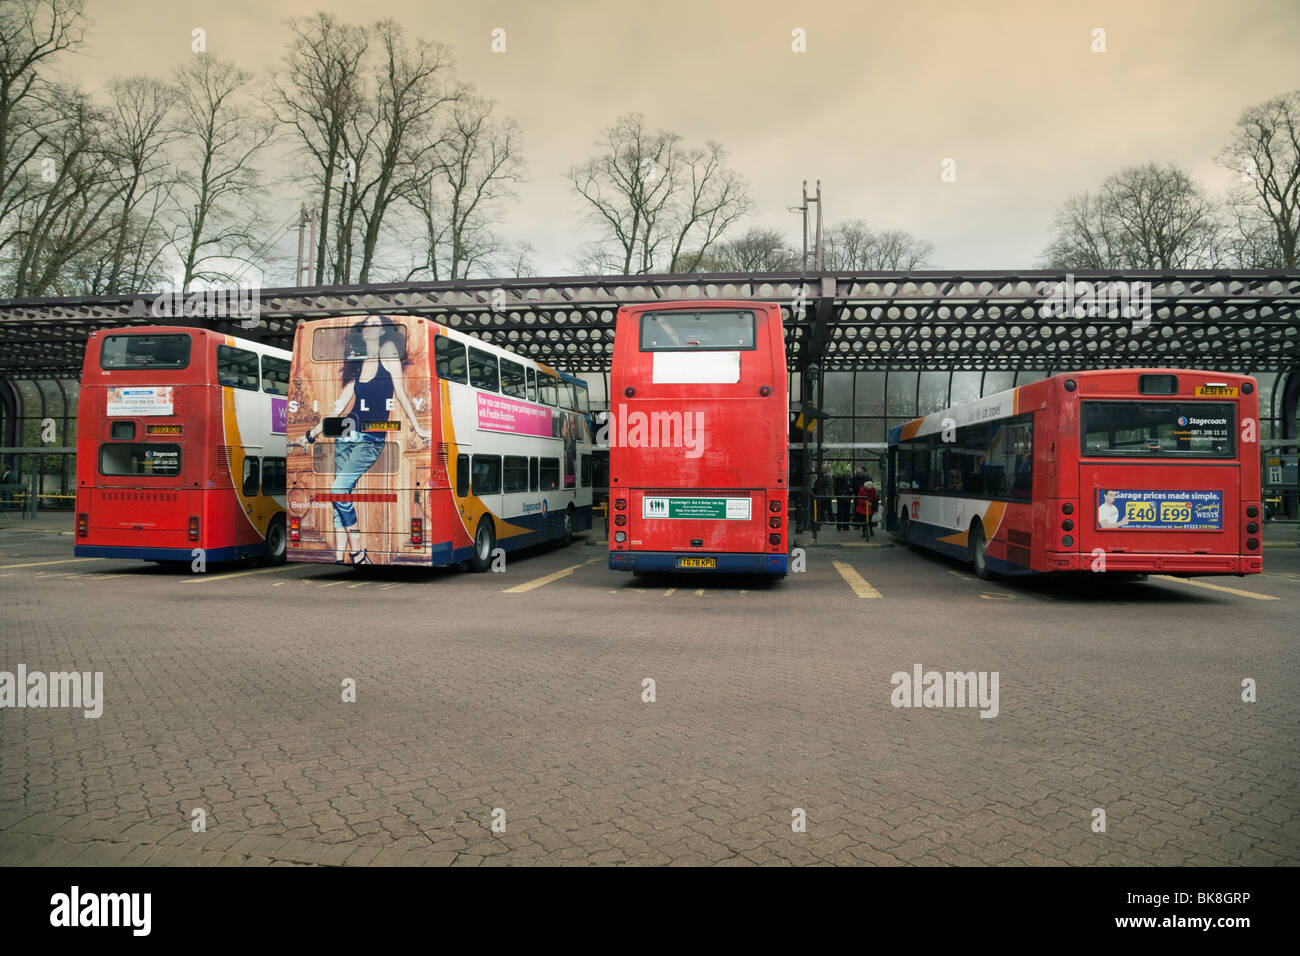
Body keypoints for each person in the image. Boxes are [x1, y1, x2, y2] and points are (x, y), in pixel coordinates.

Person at [297, 315, 431, 564]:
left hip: (370, 438)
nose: (369, 328)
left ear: (382, 332)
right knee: (342, 493)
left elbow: (400, 393)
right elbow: (337, 412)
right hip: (345, 435)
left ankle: (358, 549)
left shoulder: (388, 352)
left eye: (375, 325)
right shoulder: (358, 367)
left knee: (338, 491)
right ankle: (340, 556)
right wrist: (310, 435)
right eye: (366, 325)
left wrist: (419, 428)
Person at [812, 465, 830, 530]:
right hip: (823, 496)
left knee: (821, 510)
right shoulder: (823, 476)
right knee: (821, 510)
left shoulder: (825, 476)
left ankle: (820, 522)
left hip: (823, 496)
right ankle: (821, 521)